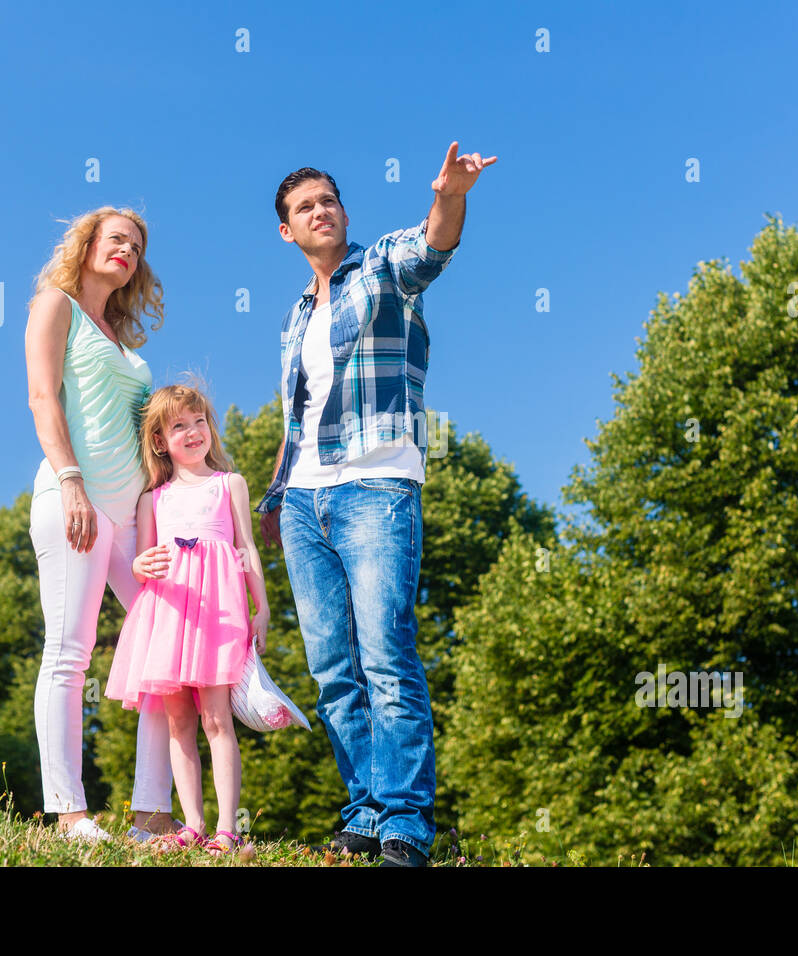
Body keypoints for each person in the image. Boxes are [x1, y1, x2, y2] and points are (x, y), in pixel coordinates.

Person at [256, 143, 496, 866]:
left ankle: (404, 825)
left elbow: (434, 244)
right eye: (305, 208)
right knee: (333, 667)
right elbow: (298, 414)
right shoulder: (296, 316)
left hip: (378, 485)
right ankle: (362, 808)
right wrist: (275, 496)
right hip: (304, 500)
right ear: (287, 233)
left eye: (328, 200)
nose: (320, 211)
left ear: (344, 213)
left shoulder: (384, 266)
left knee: (387, 654)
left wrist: (450, 194)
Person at [25, 207, 178, 842]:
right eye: (117, 239)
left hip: (131, 517)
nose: (127, 251)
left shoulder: (120, 339)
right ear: (88, 243)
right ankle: (69, 812)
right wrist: (71, 484)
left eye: (137, 247)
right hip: (74, 503)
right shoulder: (54, 304)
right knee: (70, 653)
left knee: (167, 654)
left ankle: (149, 815)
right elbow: (40, 396)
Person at [105, 383, 270, 856]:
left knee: (217, 718)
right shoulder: (152, 499)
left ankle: (226, 827)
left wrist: (263, 609)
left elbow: (246, 549)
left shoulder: (229, 484)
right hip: (169, 613)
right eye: (179, 425)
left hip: (217, 612)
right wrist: (138, 566)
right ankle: (192, 824)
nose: (194, 431)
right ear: (160, 440)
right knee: (179, 721)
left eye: (199, 421)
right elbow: (141, 562)